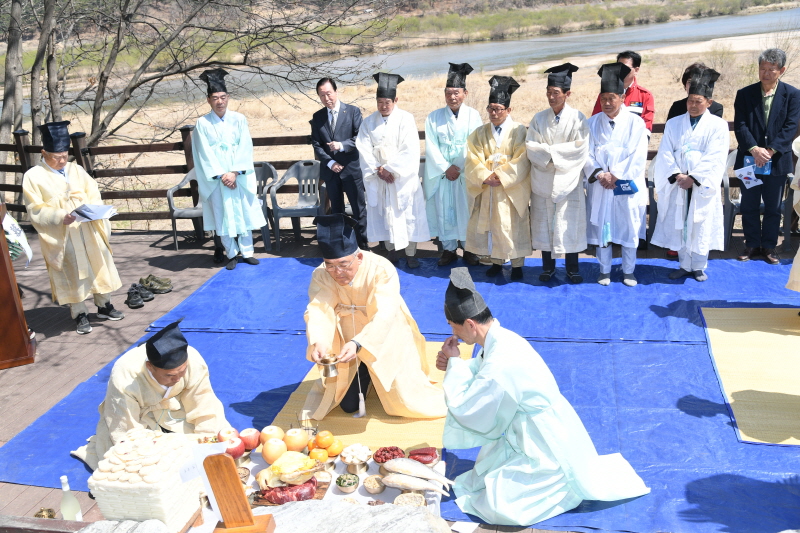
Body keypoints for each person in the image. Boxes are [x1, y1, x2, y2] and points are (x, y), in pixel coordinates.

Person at [436, 267, 650, 526]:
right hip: (540, 430)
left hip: (546, 443)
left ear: (470, 323)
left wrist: (456, 365)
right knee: (482, 478)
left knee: (500, 506)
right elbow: (484, 375)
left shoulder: (502, 360)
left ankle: (566, 481)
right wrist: (453, 365)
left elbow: (471, 408)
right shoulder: (502, 339)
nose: (453, 333)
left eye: (453, 326)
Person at [303, 214, 446, 420]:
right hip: (346, 341)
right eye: (330, 264)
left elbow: (385, 314)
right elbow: (319, 310)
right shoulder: (322, 274)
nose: (337, 272)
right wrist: (319, 341)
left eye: (343, 264)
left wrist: (360, 343)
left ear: (358, 257)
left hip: (383, 335)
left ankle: (373, 369)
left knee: (405, 403)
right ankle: (365, 372)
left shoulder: (381, 268)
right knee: (348, 405)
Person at [71, 320, 231, 470]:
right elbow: (127, 430)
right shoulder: (125, 377)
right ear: (150, 367)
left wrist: (207, 443)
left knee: (219, 439)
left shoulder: (193, 359)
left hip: (179, 413)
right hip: (141, 420)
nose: (178, 378)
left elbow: (204, 403)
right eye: (170, 375)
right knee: (132, 462)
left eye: (182, 371)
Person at [22, 121, 124, 335]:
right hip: (63, 232)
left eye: (64, 155)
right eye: (55, 157)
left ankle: (104, 304)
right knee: (72, 269)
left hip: (87, 226)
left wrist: (94, 210)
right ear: (44, 153)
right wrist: (59, 215)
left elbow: (93, 192)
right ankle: (79, 313)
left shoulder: (75, 169)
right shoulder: (33, 176)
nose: (61, 161)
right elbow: (35, 208)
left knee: (98, 263)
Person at [651, 68, 729, 282]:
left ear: (709, 102)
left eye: (698, 101)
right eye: (690, 101)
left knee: (700, 223)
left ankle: (699, 266)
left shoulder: (718, 126)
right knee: (682, 222)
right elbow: (666, 151)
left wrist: (693, 177)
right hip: (679, 182)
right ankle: (684, 264)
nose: (693, 106)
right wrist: (677, 175)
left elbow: (715, 156)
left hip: (701, 184)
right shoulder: (674, 123)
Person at [192, 68, 266, 270]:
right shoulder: (202, 123)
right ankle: (231, 253)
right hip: (216, 179)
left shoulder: (239, 119)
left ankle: (248, 252)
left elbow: (245, 147)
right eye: (215, 98)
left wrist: (234, 172)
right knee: (222, 216)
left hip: (238, 176)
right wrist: (222, 176)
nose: (219, 101)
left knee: (243, 212)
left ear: (228, 98)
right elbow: (203, 153)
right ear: (208, 100)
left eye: (223, 97)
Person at [733, 48, 800, 265]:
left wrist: (770, 150)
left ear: (782, 70)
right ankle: (752, 244)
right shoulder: (745, 94)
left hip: (777, 161)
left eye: (771, 69)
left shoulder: (792, 95)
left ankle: (769, 246)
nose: (766, 73)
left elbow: (791, 127)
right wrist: (754, 149)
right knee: (749, 204)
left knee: (773, 206)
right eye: (763, 69)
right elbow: (740, 125)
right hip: (748, 161)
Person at [584, 63, 648, 287]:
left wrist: (616, 176)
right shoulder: (591, 123)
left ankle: (629, 271)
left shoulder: (635, 123)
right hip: (601, 186)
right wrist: (601, 174)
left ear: (622, 98)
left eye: (612, 98)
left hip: (625, 185)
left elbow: (638, 156)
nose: (607, 103)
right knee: (603, 226)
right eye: (603, 99)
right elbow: (586, 153)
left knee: (628, 225)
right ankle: (604, 269)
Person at [356, 73, 429, 268]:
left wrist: (390, 169)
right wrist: (378, 170)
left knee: (407, 214)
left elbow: (410, 148)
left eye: (387, 102)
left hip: (401, 178)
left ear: (395, 100)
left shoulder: (406, 119)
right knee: (385, 213)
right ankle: (391, 250)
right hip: (379, 177)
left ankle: (411, 253)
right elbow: (363, 148)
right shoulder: (369, 122)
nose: (383, 106)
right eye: (380, 102)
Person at [526, 63, 589, 283]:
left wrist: (551, 154)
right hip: (543, 179)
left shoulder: (578, 118)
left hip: (568, 180)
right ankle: (547, 267)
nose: (551, 97)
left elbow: (580, 147)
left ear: (567, 94)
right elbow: (531, 146)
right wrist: (552, 156)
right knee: (545, 223)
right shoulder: (538, 118)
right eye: (548, 93)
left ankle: (573, 268)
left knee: (569, 223)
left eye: (556, 93)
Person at [465, 76, 531, 281]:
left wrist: (502, 175)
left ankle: (518, 264)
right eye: (490, 108)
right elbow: (472, 157)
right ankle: (496, 261)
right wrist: (485, 176)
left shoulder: (519, 130)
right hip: (489, 188)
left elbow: (522, 157)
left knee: (513, 225)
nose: (493, 113)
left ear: (508, 110)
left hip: (509, 188)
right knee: (493, 225)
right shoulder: (480, 132)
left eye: (498, 109)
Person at [424, 63, 483, 267]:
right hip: (443, 174)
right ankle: (448, 249)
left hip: (463, 173)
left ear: (465, 93)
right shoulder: (433, 117)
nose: (452, 97)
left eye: (456, 92)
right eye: (448, 93)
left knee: (465, 210)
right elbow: (431, 146)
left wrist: (457, 166)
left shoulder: (473, 116)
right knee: (445, 210)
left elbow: (473, 143)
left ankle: (469, 249)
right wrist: (445, 167)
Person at [310, 77, 368, 248]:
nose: (326, 98)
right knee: (336, 211)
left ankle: (363, 245)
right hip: (331, 172)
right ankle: (342, 246)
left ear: (336, 91)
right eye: (322, 95)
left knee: (359, 209)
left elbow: (361, 137)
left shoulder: (352, 112)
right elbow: (316, 144)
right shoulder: (318, 117)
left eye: (329, 94)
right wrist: (329, 163)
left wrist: (342, 145)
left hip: (351, 169)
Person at [591, 51, 654, 132]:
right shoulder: (605, 95)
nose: (621, 71)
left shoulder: (644, 95)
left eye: (625, 68)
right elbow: (596, 119)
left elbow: (646, 126)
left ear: (636, 70)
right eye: (619, 67)